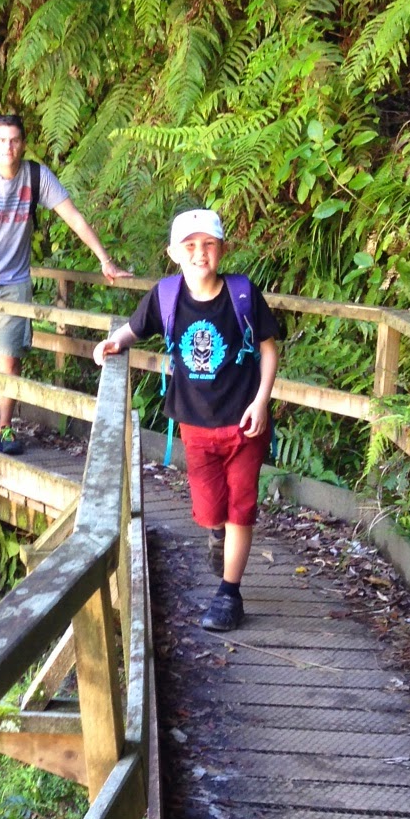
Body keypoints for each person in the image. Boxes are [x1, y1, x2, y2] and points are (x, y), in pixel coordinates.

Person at [93, 208, 281, 632]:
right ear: (174, 252)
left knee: (241, 509)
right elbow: (133, 329)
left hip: (244, 422)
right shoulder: (166, 296)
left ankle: (229, 594)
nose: (201, 254)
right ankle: (217, 536)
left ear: (223, 250)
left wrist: (262, 401)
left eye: (209, 245)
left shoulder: (242, 294)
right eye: (191, 246)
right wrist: (113, 342)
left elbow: (268, 349)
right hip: (195, 426)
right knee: (210, 511)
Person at [0, 113, 130, 455]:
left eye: (15, 140)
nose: (8, 147)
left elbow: (74, 217)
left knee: (8, 358)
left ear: (23, 144)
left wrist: (105, 260)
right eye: (1, 140)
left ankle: (4, 427)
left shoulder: (37, 177)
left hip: (13, 282)